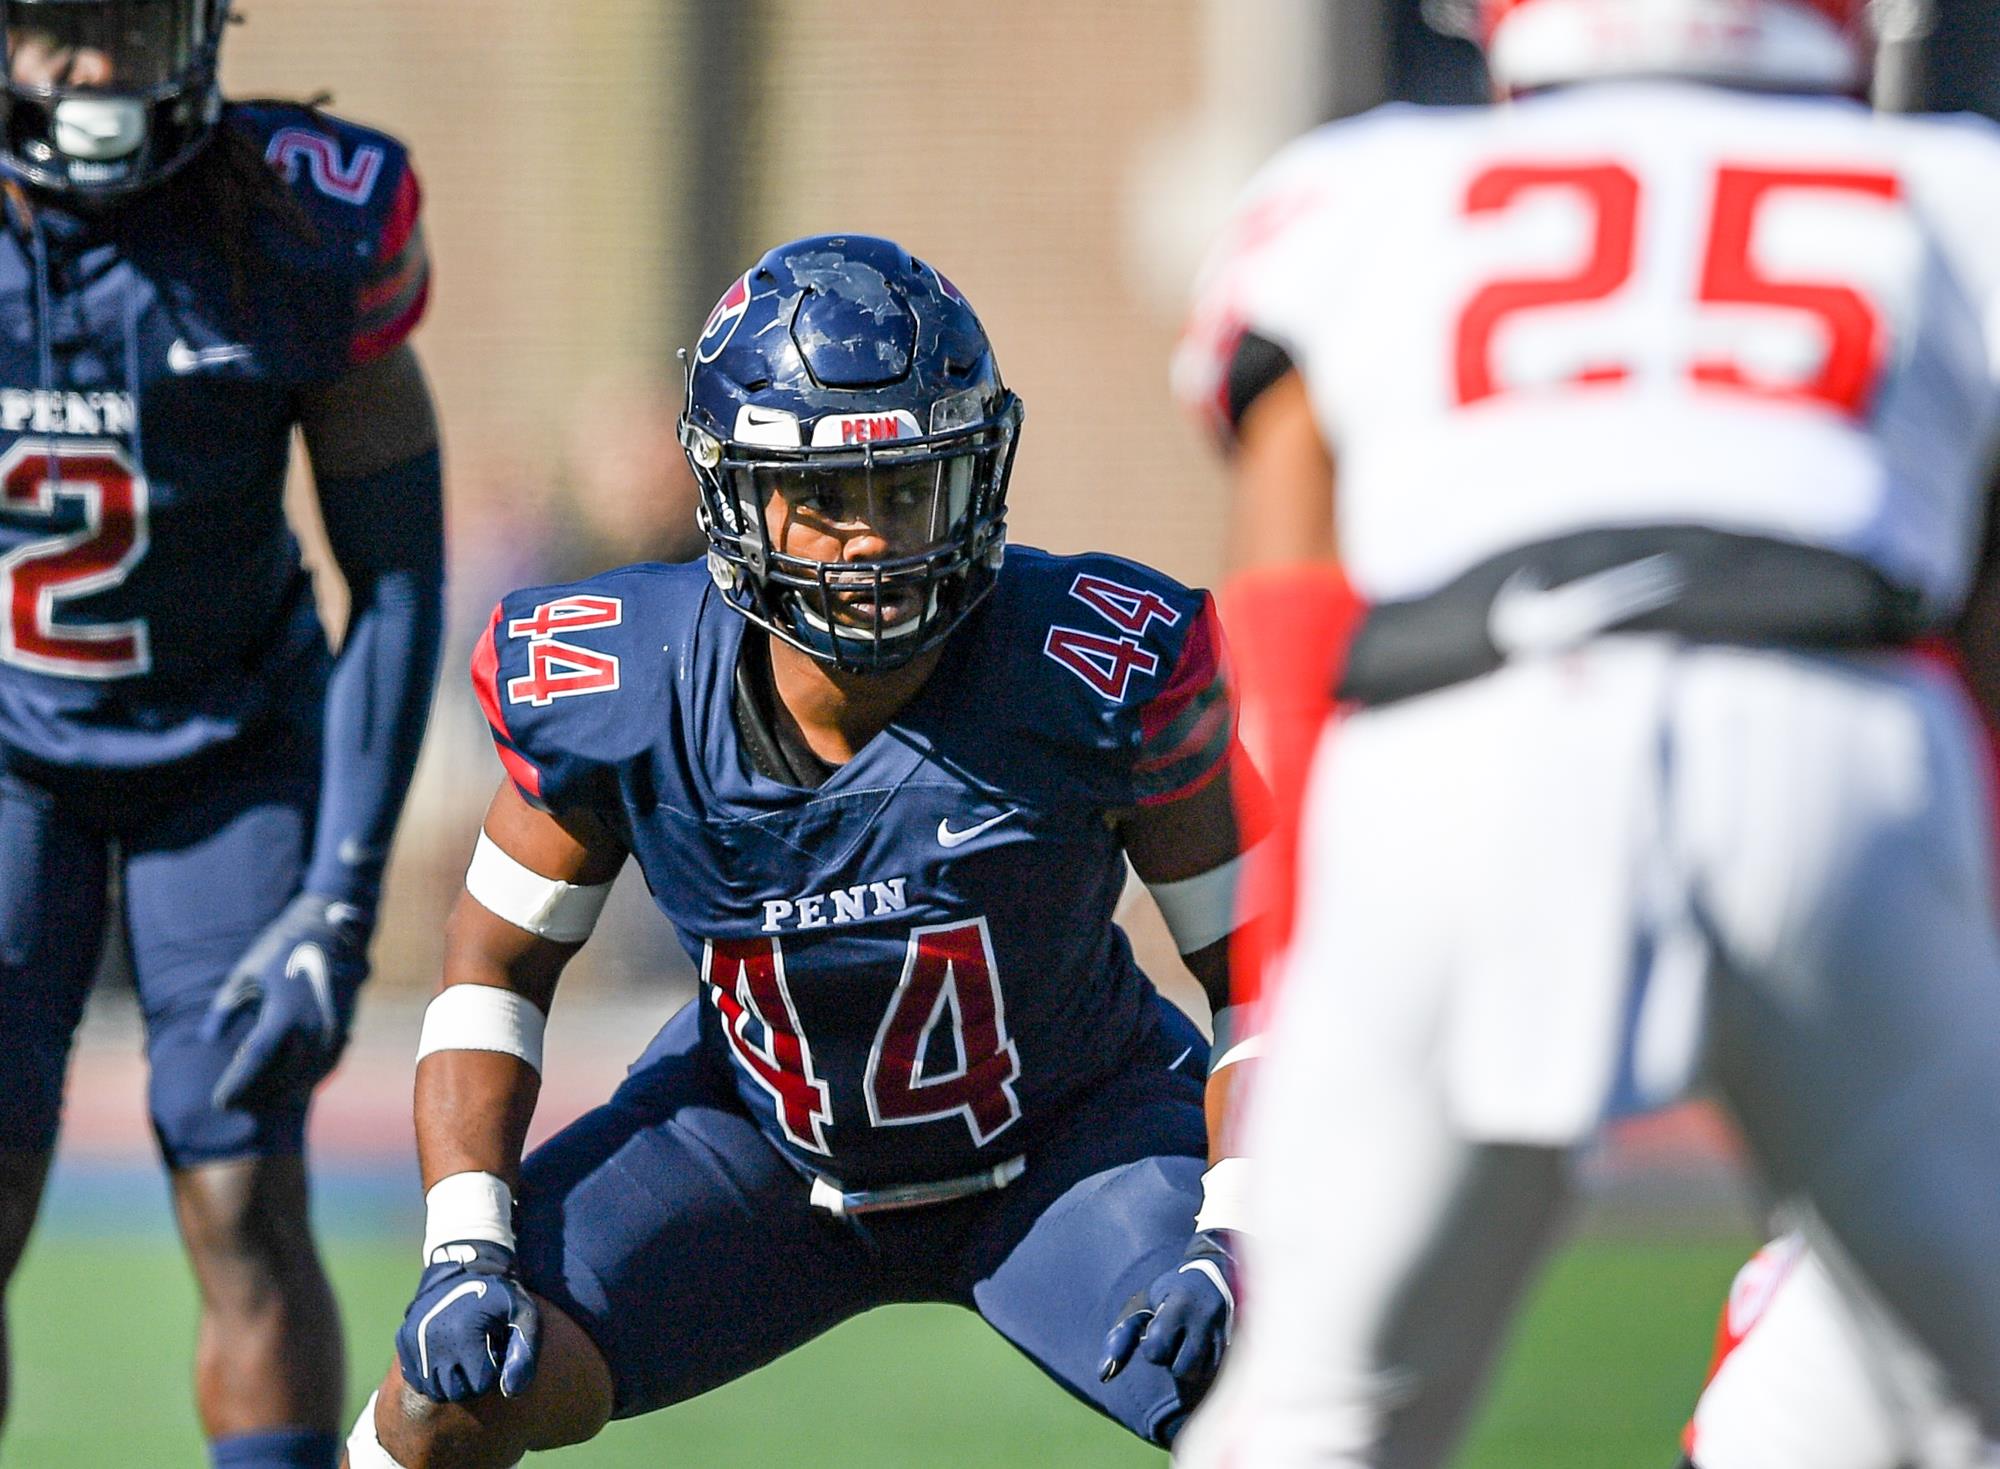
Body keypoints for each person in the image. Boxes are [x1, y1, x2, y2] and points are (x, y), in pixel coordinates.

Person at [1166, 0, 2000, 1463]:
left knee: (1326, 1407)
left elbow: (1286, 622)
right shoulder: (1957, 189)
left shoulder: (1360, 188)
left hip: (1464, 739)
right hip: (1841, 717)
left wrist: (1288, 998)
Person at [340, 233, 1260, 1469]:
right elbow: (494, 965)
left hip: (1072, 1145)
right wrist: (463, 1242)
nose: (869, 539)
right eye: (824, 499)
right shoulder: (630, 683)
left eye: (901, 488)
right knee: (446, 1391)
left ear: (972, 475)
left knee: (1285, 1398)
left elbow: (1268, 966)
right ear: (735, 496)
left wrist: (1246, 1223)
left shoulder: (1095, 670)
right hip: (755, 1145)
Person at [0, 3, 444, 1467]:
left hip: (231, 749)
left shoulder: (294, 223)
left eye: (127, 26)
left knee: (240, 1180)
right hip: (9, 751)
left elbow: (394, 567)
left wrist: (341, 891)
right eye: (54, 28)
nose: (91, 69)